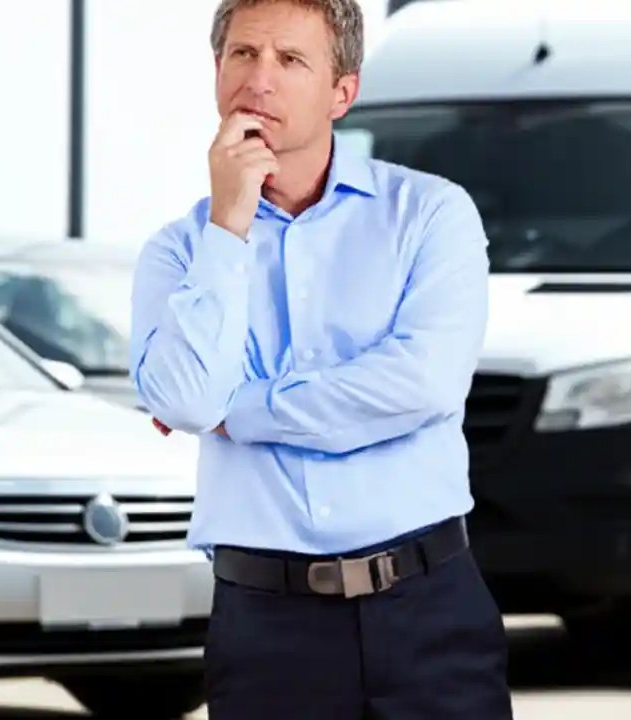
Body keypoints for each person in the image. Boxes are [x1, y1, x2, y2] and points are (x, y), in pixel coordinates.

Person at [126, 0, 512, 717]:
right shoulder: (180, 251)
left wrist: (238, 412)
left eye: (290, 59)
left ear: (343, 91)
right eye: (242, 54)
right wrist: (230, 225)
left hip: (427, 608)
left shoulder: (428, 214)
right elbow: (184, 401)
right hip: (267, 630)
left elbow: (421, 384)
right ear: (217, 71)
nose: (258, 79)